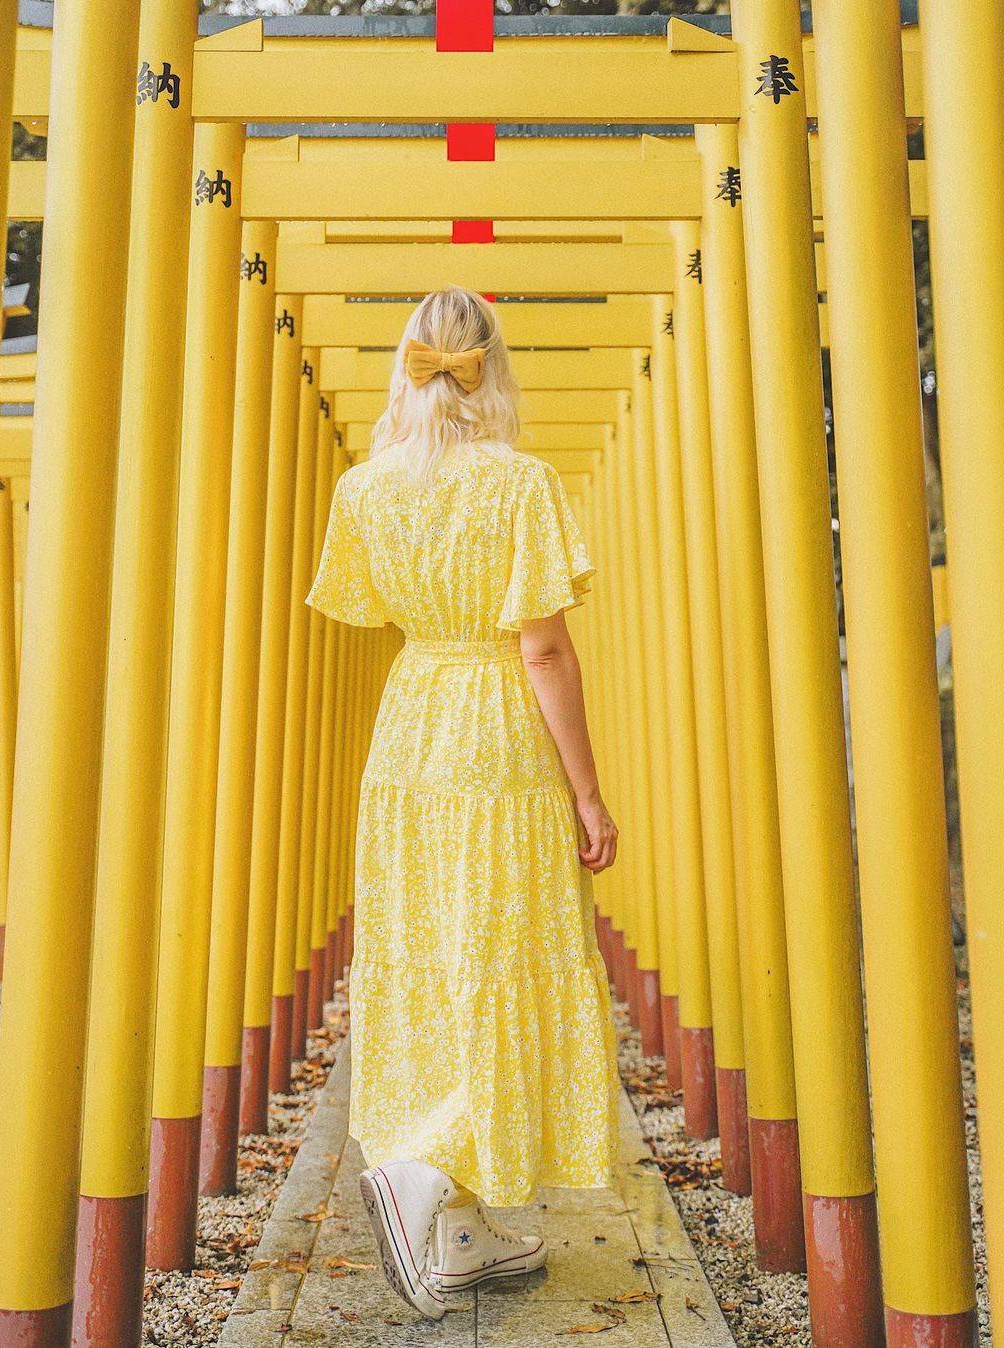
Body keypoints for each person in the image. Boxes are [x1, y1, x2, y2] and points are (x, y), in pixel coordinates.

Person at [306, 287, 620, 1319]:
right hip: (494, 736)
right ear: (493, 366)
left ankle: (458, 1229)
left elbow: (364, 611)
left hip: (410, 731)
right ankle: (429, 1171)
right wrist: (589, 794)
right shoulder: (522, 483)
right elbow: (541, 647)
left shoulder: (364, 490)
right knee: (503, 955)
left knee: (430, 958)